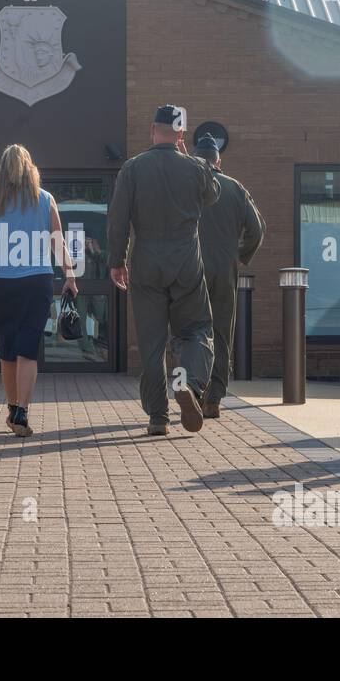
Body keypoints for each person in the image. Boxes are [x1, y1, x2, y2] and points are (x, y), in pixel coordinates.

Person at [107, 105, 219, 436]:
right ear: (181, 135)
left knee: (152, 344)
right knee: (196, 331)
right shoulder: (197, 168)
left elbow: (118, 218)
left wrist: (117, 261)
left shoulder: (132, 168)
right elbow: (213, 196)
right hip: (186, 263)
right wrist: (193, 161)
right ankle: (188, 385)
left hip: (146, 262)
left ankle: (158, 417)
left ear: (152, 130)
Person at [0, 144, 77, 437]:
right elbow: (58, 241)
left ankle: (12, 404)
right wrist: (70, 275)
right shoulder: (46, 199)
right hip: (36, 280)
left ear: (1, 171)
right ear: (31, 170)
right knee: (28, 347)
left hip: (1, 280)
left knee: (7, 348)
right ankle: (21, 410)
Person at [193, 134, 266, 418]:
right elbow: (258, 229)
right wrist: (239, 255)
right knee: (222, 334)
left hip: (191, 269)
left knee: (192, 332)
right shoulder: (235, 188)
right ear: (218, 160)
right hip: (224, 270)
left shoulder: (189, 186)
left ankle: (193, 388)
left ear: (196, 159)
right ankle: (214, 398)